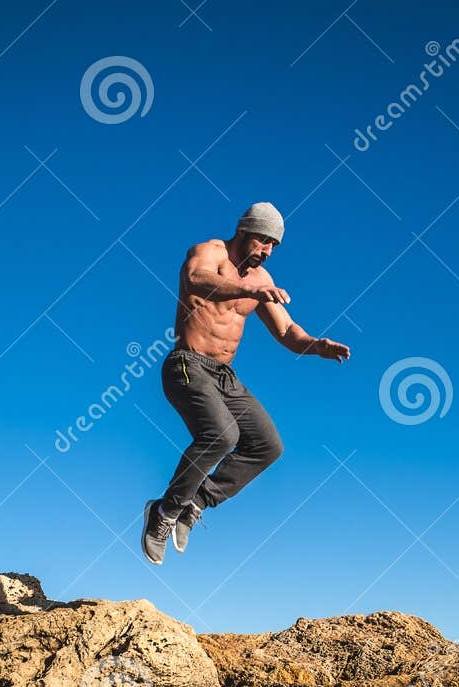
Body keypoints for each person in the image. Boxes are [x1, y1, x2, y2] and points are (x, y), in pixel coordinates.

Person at [141, 202, 351, 564]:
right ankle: (164, 512)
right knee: (223, 435)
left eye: (274, 246)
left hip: (224, 377)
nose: (267, 251)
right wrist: (249, 292)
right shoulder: (209, 252)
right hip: (186, 365)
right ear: (244, 231)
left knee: (268, 446)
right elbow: (196, 280)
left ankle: (197, 503)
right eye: (263, 240)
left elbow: (286, 330)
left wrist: (316, 345)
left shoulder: (261, 282)